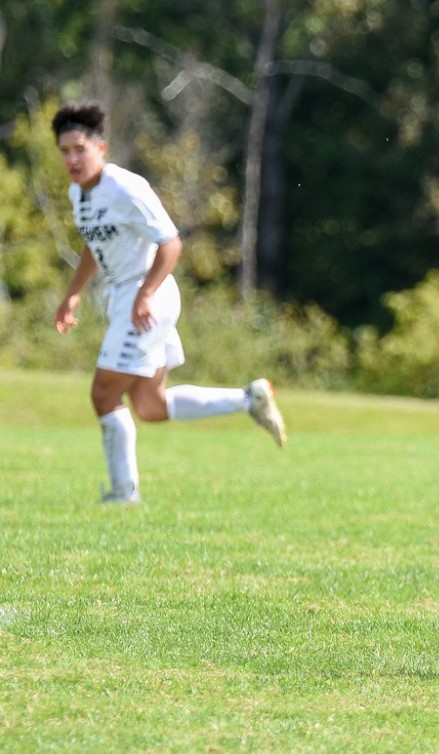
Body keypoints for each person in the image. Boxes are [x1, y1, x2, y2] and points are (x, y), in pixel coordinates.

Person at [52, 101, 287, 504]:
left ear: (100, 148)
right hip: (126, 297)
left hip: (146, 296)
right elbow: (93, 244)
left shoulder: (125, 187)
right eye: (65, 151)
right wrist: (73, 293)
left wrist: (144, 295)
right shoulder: (78, 194)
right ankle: (249, 399)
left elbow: (171, 243)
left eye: (80, 149)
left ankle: (123, 494)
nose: (72, 159)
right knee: (150, 405)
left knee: (103, 395)